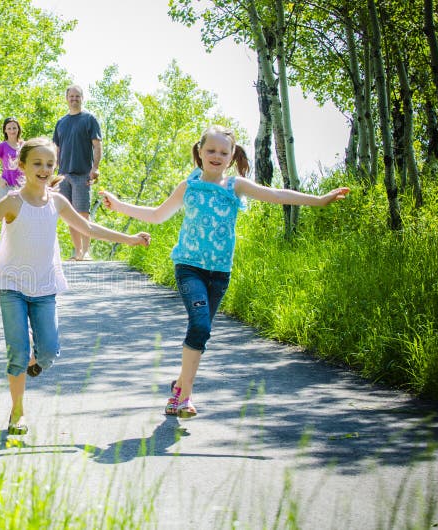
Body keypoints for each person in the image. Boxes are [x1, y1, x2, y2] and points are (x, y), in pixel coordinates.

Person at [99, 125, 350, 419]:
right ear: (200, 152)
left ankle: (179, 386)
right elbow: (157, 215)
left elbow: (275, 194)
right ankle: (185, 398)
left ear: (231, 156)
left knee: (201, 331)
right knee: (200, 325)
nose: (216, 156)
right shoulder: (188, 187)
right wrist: (119, 206)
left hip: (219, 273)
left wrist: (318, 200)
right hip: (189, 267)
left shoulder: (235, 186)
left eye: (223, 152)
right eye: (211, 150)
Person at [0, 137, 150, 435]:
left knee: (48, 352)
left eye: (50, 164)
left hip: (45, 286)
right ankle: (17, 413)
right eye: (37, 163)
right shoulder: (12, 202)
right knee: (17, 353)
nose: (44, 169)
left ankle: (34, 361)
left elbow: (88, 228)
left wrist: (130, 239)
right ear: (21, 165)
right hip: (12, 285)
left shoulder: (57, 202)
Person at [53, 85, 102, 261]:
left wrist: (95, 168)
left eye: (77, 96)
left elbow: (97, 145)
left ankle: (86, 251)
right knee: (69, 215)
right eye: (71, 96)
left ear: (82, 98)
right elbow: (56, 149)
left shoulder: (89, 119)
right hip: (63, 175)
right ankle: (77, 252)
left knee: (83, 214)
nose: (74, 99)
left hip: (82, 174)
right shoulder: (61, 122)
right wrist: (52, 171)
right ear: (66, 98)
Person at [0, 117, 25, 199]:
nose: (12, 131)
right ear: (5, 130)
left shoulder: (25, 145)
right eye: (9, 128)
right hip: (7, 187)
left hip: (23, 187)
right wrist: (0, 180)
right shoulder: (1, 146)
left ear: (18, 129)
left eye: (14, 128)